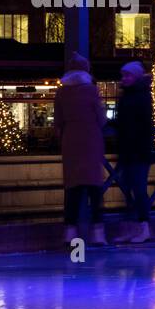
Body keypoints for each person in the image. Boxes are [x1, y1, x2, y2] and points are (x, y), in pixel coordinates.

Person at [53, 53, 107, 247]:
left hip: (70, 143)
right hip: (91, 141)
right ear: (86, 70)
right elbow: (101, 118)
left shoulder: (61, 92)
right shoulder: (91, 90)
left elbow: (58, 121)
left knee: (73, 189)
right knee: (94, 188)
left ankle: (70, 232)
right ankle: (98, 232)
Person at [111, 60, 155, 244]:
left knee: (138, 190)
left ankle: (144, 228)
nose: (124, 78)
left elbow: (144, 125)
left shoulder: (141, 96)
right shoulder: (128, 95)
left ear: (136, 77)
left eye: (128, 75)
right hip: (128, 150)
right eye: (123, 75)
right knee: (128, 190)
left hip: (137, 151)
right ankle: (134, 228)